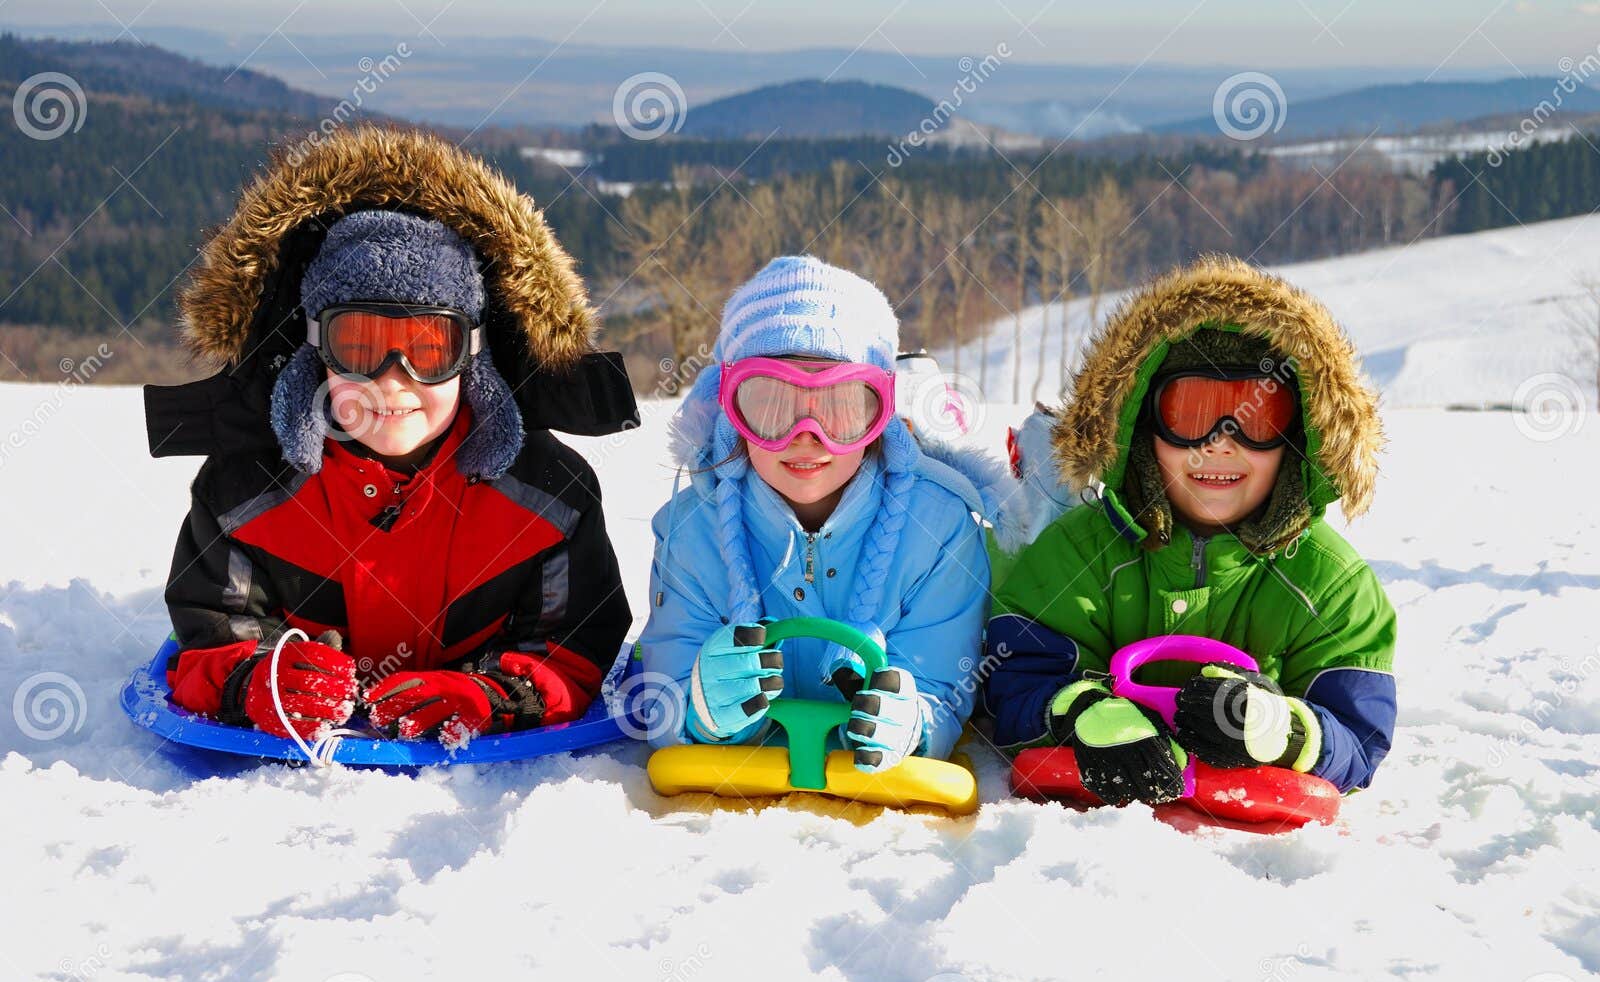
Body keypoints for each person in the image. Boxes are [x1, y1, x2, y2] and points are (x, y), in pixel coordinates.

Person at [157, 126, 631, 748]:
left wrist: (499, 697)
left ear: (472, 358)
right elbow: (210, 634)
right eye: (359, 345)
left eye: (428, 348)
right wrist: (254, 681)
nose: (391, 381)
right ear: (315, 354)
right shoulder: (244, 489)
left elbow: (575, 645)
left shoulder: (550, 495)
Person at [984, 255, 1397, 803]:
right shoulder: (1078, 553)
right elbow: (1014, 680)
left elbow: (1359, 731)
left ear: (1297, 437)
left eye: (1257, 419)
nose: (1219, 444)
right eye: (1190, 412)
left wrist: (1284, 731)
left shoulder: (1330, 584)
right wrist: (1082, 712)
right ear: (1141, 427)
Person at [641, 256, 1008, 770]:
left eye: (840, 407)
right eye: (771, 404)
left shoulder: (939, 530)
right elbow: (664, 690)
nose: (807, 436)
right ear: (731, 412)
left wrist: (914, 723)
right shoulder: (691, 531)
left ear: (879, 416)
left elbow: (945, 683)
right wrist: (696, 709)